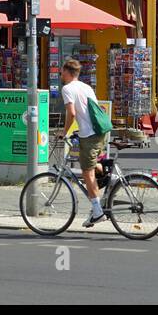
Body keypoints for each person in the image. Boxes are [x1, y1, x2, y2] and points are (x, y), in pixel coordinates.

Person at [60, 57, 109, 228]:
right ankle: (107, 172)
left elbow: (72, 113)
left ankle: (97, 211)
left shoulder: (67, 89)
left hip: (89, 135)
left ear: (67, 72)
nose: (60, 73)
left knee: (87, 172)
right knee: (90, 164)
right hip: (98, 132)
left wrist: (64, 132)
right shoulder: (86, 86)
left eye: (62, 71)